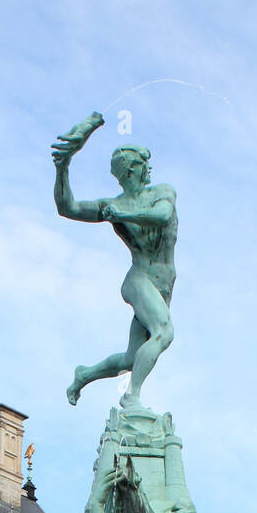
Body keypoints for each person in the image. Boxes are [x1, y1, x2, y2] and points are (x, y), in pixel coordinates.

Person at [52, 113, 178, 411]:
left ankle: (84, 374)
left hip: (164, 283)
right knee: (164, 332)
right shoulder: (113, 205)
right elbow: (66, 207)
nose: (145, 170)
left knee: (132, 358)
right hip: (139, 279)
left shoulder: (161, 192)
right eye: (141, 165)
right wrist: (63, 167)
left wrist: (122, 216)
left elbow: (161, 216)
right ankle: (131, 396)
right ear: (133, 169)